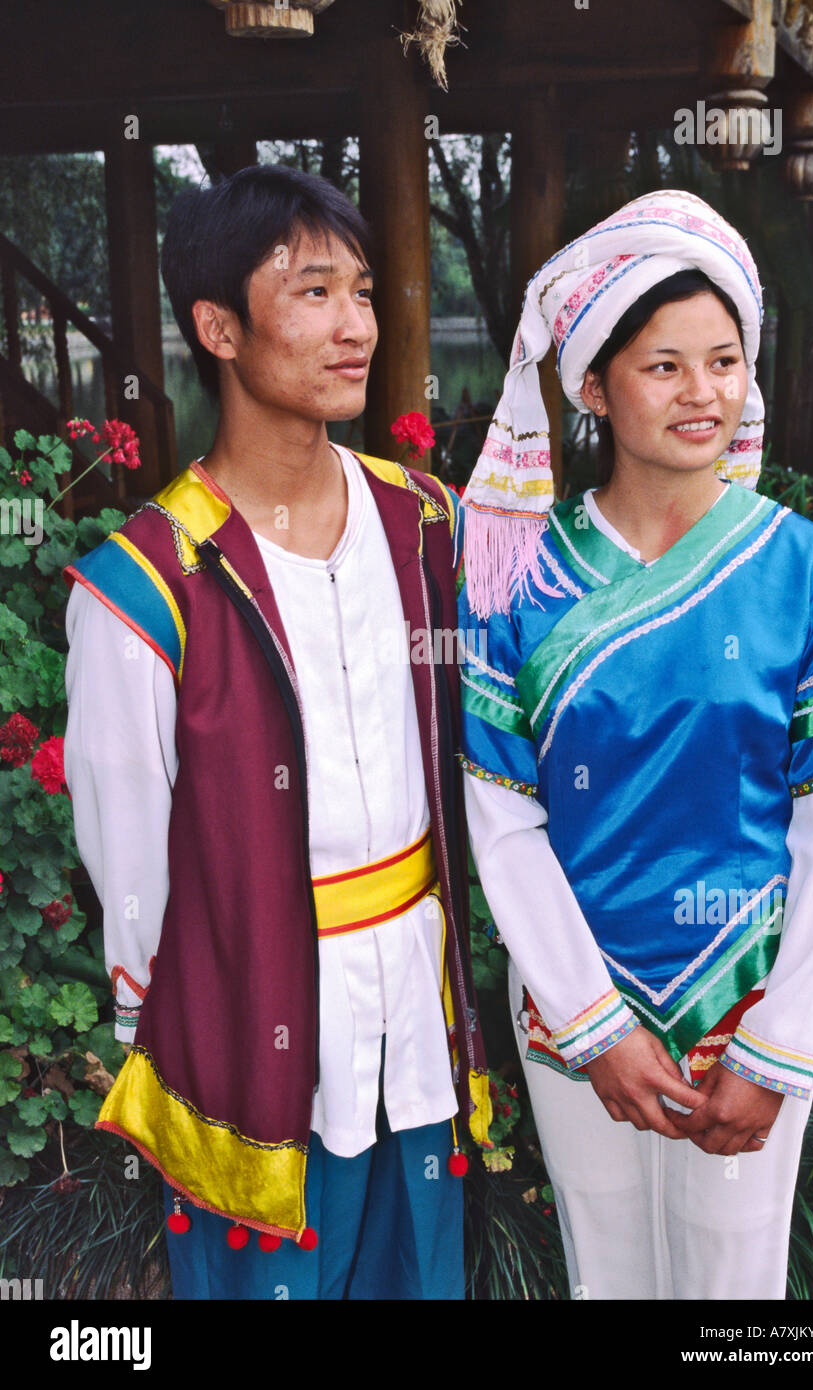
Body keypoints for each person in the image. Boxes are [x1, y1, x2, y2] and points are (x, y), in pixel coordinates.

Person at [62, 164, 490, 1300]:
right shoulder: (141, 589)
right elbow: (133, 874)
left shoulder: (423, 525)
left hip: (413, 1012)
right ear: (218, 328)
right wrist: (185, 1042)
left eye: (360, 291)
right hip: (252, 1043)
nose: (353, 325)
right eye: (311, 292)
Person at [457, 188, 813, 1300]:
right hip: (575, 1010)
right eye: (663, 365)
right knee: (609, 1278)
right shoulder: (513, 583)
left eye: (724, 360)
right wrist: (591, 1028)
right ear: (590, 385)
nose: (704, 394)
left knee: (735, 1293)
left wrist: (776, 1045)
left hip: (746, 1000)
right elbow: (502, 816)